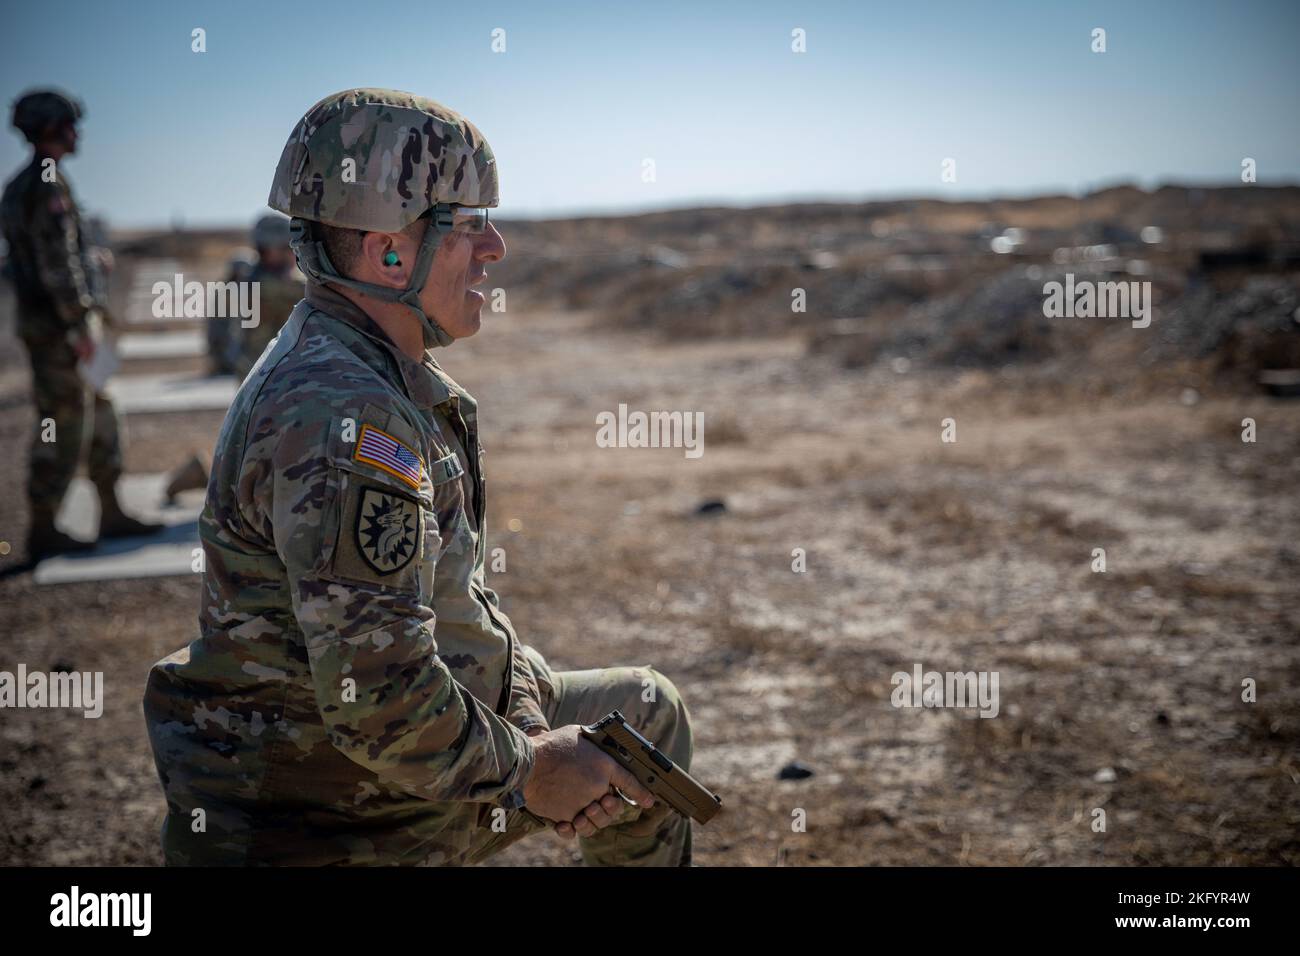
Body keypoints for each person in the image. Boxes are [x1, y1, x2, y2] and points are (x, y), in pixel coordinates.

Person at [143, 89, 695, 866]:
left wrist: (530, 715)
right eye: (471, 224)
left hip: (387, 770)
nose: (496, 247)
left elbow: (458, 609)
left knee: (643, 712)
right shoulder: (344, 417)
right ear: (390, 252)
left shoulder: (377, 372)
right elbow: (380, 704)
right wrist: (534, 770)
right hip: (337, 813)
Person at [0, 89, 161, 561]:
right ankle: (45, 527)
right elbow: (55, 267)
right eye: (69, 125)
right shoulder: (45, 184)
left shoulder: (32, 183)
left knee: (99, 414)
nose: (77, 134)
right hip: (58, 331)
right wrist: (77, 327)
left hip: (56, 326)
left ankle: (109, 509)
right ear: (51, 129)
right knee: (63, 423)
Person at [231, 212, 303, 379]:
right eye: (287, 248)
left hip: (268, 370)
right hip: (264, 372)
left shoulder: (257, 275)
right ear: (270, 251)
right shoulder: (262, 282)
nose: (293, 253)